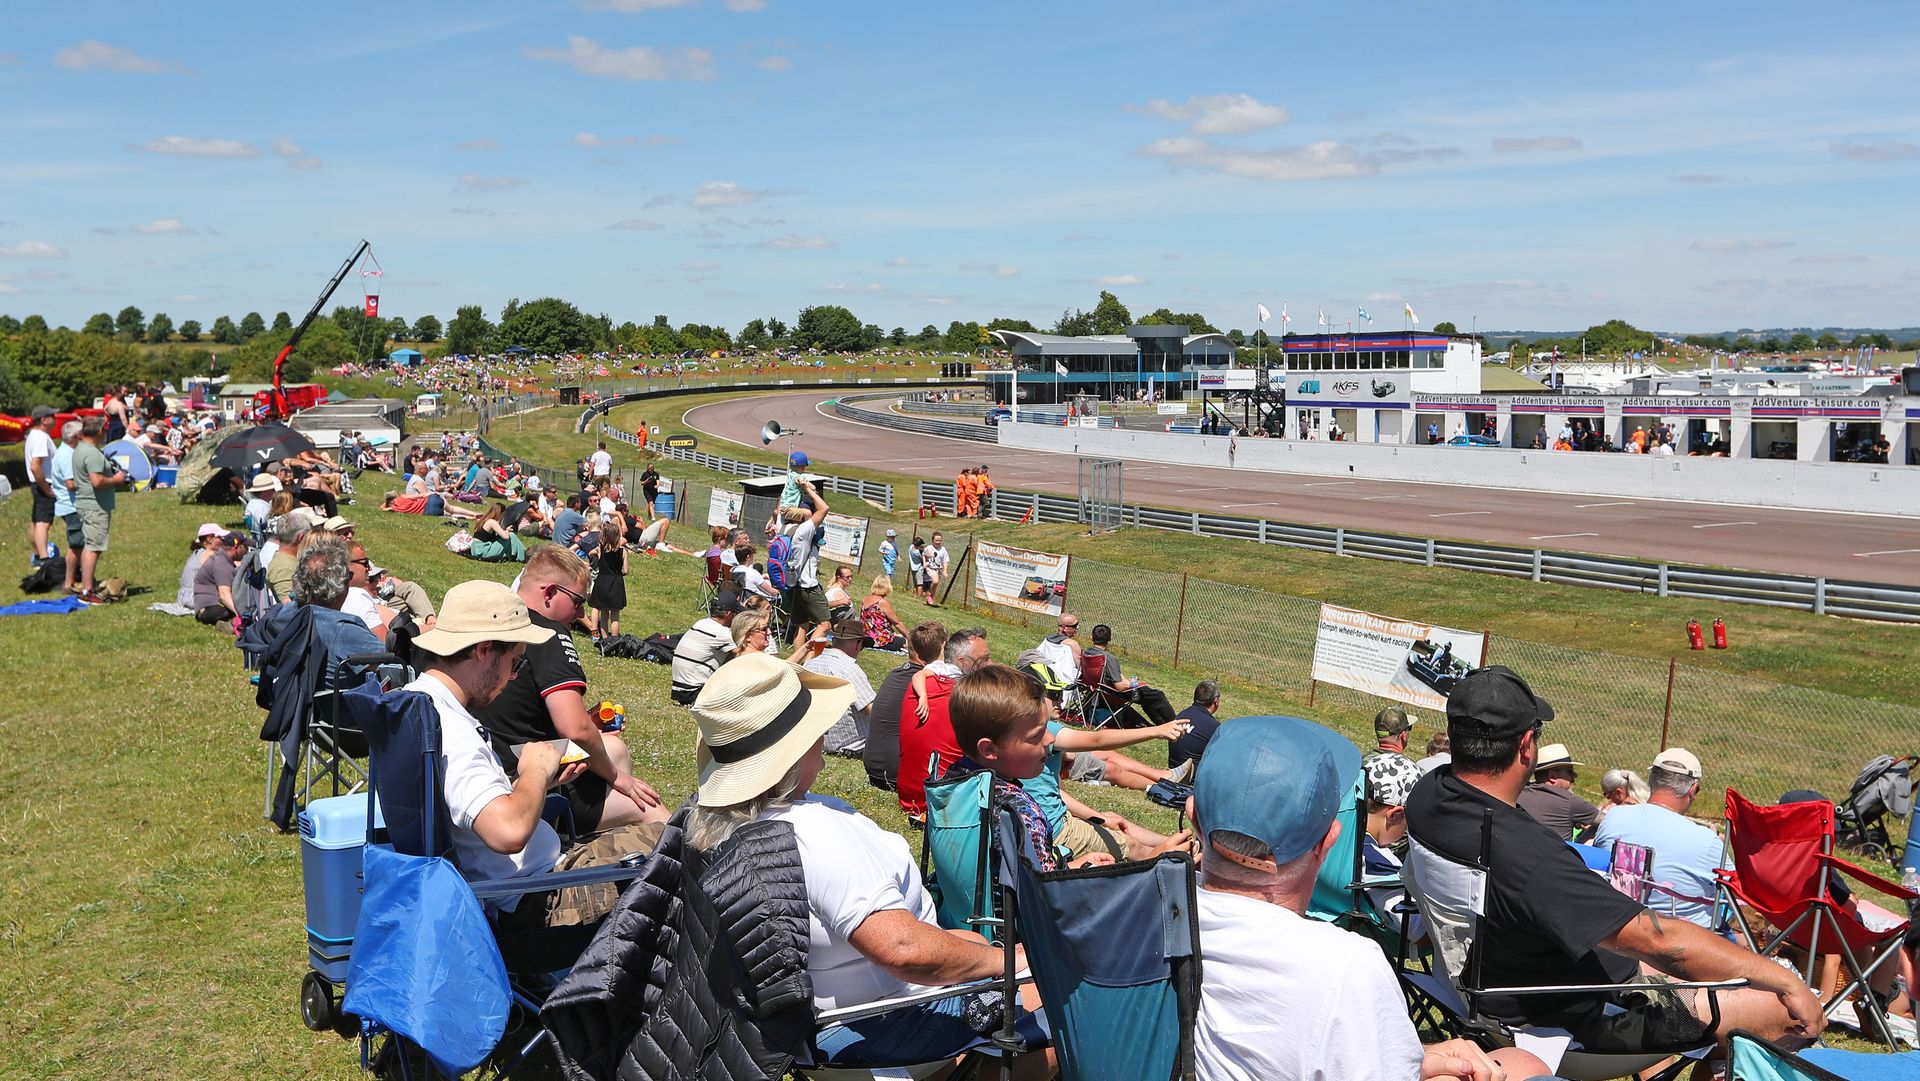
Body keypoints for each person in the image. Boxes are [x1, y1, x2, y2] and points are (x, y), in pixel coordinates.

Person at [1406, 665, 1824, 1059]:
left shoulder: (1427, 795)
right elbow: (1660, 941)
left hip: (1485, 986)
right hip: (1564, 1016)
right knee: (1785, 1011)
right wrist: (1784, 978)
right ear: (1526, 745)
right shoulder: (1531, 858)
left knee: (1687, 976)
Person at [683, 653, 1052, 1074]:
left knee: (979, 945)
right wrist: (1012, 962)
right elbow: (903, 950)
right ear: (803, 741)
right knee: (1068, 998)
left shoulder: (718, 823)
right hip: (877, 1020)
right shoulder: (813, 831)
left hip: (810, 1017)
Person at [1190, 715, 1541, 1081]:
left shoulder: (1143, 912)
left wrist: (1418, 1057)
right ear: (1327, 843)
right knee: (1526, 1066)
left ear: (1194, 818)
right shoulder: (1346, 967)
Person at [405, 581, 654, 925]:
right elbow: (506, 833)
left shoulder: (416, 701)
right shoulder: (453, 731)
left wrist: (530, 785)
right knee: (675, 846)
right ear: (484, 650)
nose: (512, 678)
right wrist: (536, 770)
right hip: (539, 898)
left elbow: (466, 806)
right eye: (516, 663)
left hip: (523, 883)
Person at [475, 547, 668, 833]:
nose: (581, 613)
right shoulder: (548, 634)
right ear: (550, 592)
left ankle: (594, 836)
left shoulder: (492, 619)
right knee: (652, 810)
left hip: (488, 760)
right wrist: (618, 779)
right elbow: (575, 729)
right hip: (526, 779)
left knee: (613, 747)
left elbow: (521, 713)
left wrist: (588, 726)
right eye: (578, 601)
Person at [944, 664, 1117, 870]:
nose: (1050, 738)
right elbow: (1047, 888)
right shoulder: (1020, 813)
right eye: (1036, 735)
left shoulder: (953, 779)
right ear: (989, 749)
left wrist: (1074, 865)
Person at [1592, 749, 1725, 929]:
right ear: (1693, 790)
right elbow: (1739, 891)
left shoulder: (1613, 817)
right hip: (1680, 942)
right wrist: (1721, 847)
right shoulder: (1707, 841)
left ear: (1652, 781)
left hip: (1615, 927)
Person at [898, 627, 991, 816]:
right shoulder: (967, 699)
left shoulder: (923, 684)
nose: (990, 664)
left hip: (909, 796)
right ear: (962, 662)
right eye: (983, 660)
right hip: (942, 803)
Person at [864, 620, 943, 793]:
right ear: (942, 648)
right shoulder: (930, 684)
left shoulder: (896, 674)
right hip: (898, 774)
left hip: (873, 768)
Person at [71, 416, 128, 604]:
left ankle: (88, 586)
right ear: (98, 432)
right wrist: (118, 479)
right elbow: (97, 481)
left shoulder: (80, 449)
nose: (105, 433)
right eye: (104, 430)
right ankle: (87, 591)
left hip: (87, 504)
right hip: (94, 507)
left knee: (92, 545)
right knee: (93, 547)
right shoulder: (93, 454)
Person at [803, 615, 876, 757]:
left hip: (813, 740)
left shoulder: (811, 663)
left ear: (834, 639)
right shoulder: (849, 668)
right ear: (857, 644)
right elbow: (872, 709)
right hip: (848, 744)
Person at [1082, 624, 1178, 725]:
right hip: (1110, 693)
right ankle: (1174, 723)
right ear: (1109, 639)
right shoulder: (1108, 658)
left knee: (1147, 696)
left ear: (1092, 637)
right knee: (1157, 695)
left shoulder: (1086, 653)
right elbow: (1119, 687)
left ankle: (1161, 724)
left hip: (1097, 689)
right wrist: (1133, 683)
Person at [1517, 742, 1601, 842]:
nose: (1574, 776)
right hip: (1554, 856)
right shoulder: (1568, 801)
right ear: (1553, 776)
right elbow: (1610, 822)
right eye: (1570, 771)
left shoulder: (1519, 792)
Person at [780, 480, 831, 635]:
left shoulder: (783, 526)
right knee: (825, 625)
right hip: (808, 584)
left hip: (792, 581)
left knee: (803, 625)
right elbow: (824, 508)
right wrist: (807, 489)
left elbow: (780, 507)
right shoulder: (805, 530)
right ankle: (808, 656)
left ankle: (796, 659)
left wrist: (793, 489)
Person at [670, 593, 741, 705]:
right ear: (728, 614)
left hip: (680, 691)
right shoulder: (722, 633)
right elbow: (747, 656)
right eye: (737, 614)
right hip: (696, 692)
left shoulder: (701, 623)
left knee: (731, 654)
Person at [49, 421, 83, 595]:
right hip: (71, 506)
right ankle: (69, 584)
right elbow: (71, 484)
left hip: (71, 505)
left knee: (79, 545)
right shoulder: (67, 456)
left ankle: (81, 580)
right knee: (76, 545)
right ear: (76, 437)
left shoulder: (67, 452)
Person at [190, 529, 247, 627]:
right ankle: (229, 623)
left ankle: (229, 623)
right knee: (244, 612)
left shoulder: (224, 558)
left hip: (212, 606)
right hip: (208, 609)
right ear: (236, 548)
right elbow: (224, 594)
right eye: (245, 547)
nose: (247, 549)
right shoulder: (221, 563)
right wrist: (240, 614)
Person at [24, 406, 57, 566]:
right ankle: (44, 559)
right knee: (44, 522)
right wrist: (47, 489)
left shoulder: (33, 435)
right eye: (52, 416)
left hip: (38, 484)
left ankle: (37, 554)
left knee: (37, 521)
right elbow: (35, 466)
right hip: (44, 483)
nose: (55, 419)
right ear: (44, 420)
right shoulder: (41, 437)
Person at [1167, 680, 1222, 770]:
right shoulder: (1214, 728)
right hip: (1192, 780)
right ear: (1216, 700)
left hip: (1172, 772)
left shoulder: (1180, 716)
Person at [589, 518, 628, 639]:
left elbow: (590, 553)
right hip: (616, 583)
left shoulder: (600, 550)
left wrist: (594, 555)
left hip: (602, 582)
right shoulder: (623, 552)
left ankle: (602, 637)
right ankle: (614, 638)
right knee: (615, 615)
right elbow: (625, 571)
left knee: (603, 612)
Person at [858, 575, 908, 652]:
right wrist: (910, 638)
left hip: (865, 637)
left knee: (899, 637)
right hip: (880, 640)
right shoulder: (882, 602)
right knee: (907, 643)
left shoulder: (865, 599)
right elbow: (897, 623)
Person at [1033, 612, 1083, 686]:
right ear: (1063, 628)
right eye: (1074, 626)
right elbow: (1081, 667)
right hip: (1064, 684)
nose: (1077, 627)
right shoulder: (1072, 644)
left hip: (1044, 679)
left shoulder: (1047, 639)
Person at [923, 531, 950, 605]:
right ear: (932, 540)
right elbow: (924, 555)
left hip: (938, 569)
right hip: (930, 568)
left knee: (935, 586)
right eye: (936, 540)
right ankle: (929, 596)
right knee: (935, 581)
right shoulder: (928, 548)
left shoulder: (943, 549)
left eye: (940, 540)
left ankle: (929, 599)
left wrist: (945, 571)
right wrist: (924, 563)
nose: (938, 542)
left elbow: (945, 561)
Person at [907, 536, 930, 603]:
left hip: (913, 568)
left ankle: (914, 595)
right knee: (920, 584)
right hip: (919, 568)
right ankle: (919, 597)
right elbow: (924, 557)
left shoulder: (911, 547)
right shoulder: (917, 553)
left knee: (915, 583)